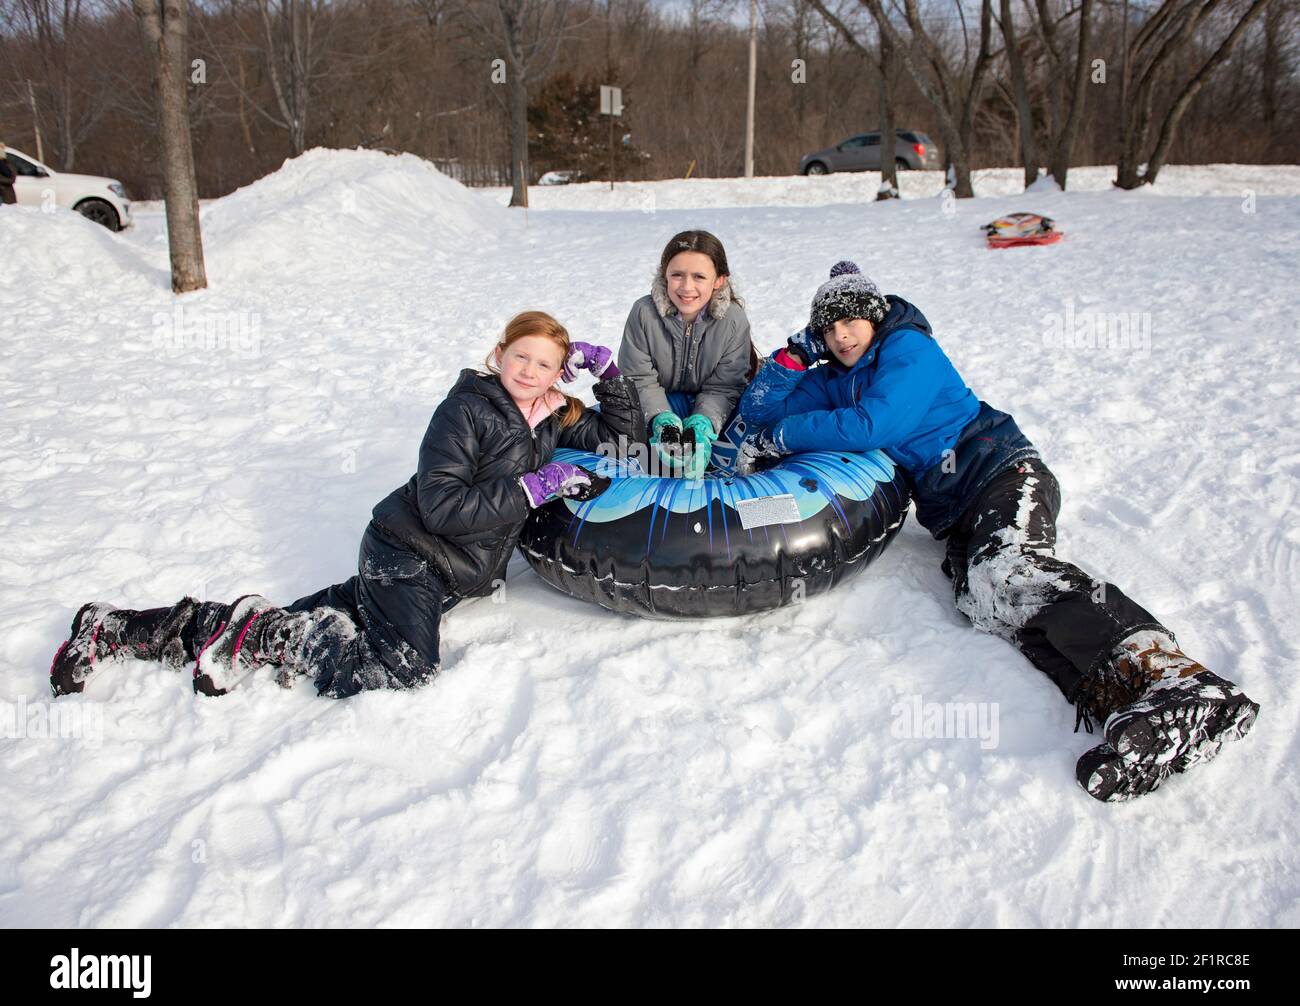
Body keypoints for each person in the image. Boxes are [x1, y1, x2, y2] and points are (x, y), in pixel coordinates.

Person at [734, 261, 1259, 803]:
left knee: (1010, 570)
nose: (841, 335)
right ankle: (1133, 711)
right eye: (828, 327)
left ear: (875, 316)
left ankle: (1176, 679)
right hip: (958, 507)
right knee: (986, 600)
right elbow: (755, 411)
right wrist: (791, 360)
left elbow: (875, 425)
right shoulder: (834, 377)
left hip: (1001, 470)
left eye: (851, 321)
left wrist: (784, 435)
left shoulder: (907, 349)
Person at [50, 312, 644, 700]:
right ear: (499, 354)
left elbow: (622, 441)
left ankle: (119, 630)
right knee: (403, 670)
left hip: (449, 574)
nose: (530, 371)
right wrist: (533, 489)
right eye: (521, 357)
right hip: (409, 552)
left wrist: (610, 374)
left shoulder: (552, 416)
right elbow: (440, 507)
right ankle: (264, 640)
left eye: (545, 363)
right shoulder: (466, 410)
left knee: (288, 615)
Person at [617, 229, 755, 477]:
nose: (687, 286)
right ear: (664, 276)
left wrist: (703, 424)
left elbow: (725, 386)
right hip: (659, 404)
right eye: (677, 275)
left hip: (712, 410)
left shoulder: (733, 320)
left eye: (699, 276)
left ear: (719, 280)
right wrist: (662, 421)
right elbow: (638, 378)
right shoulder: (644, 313)